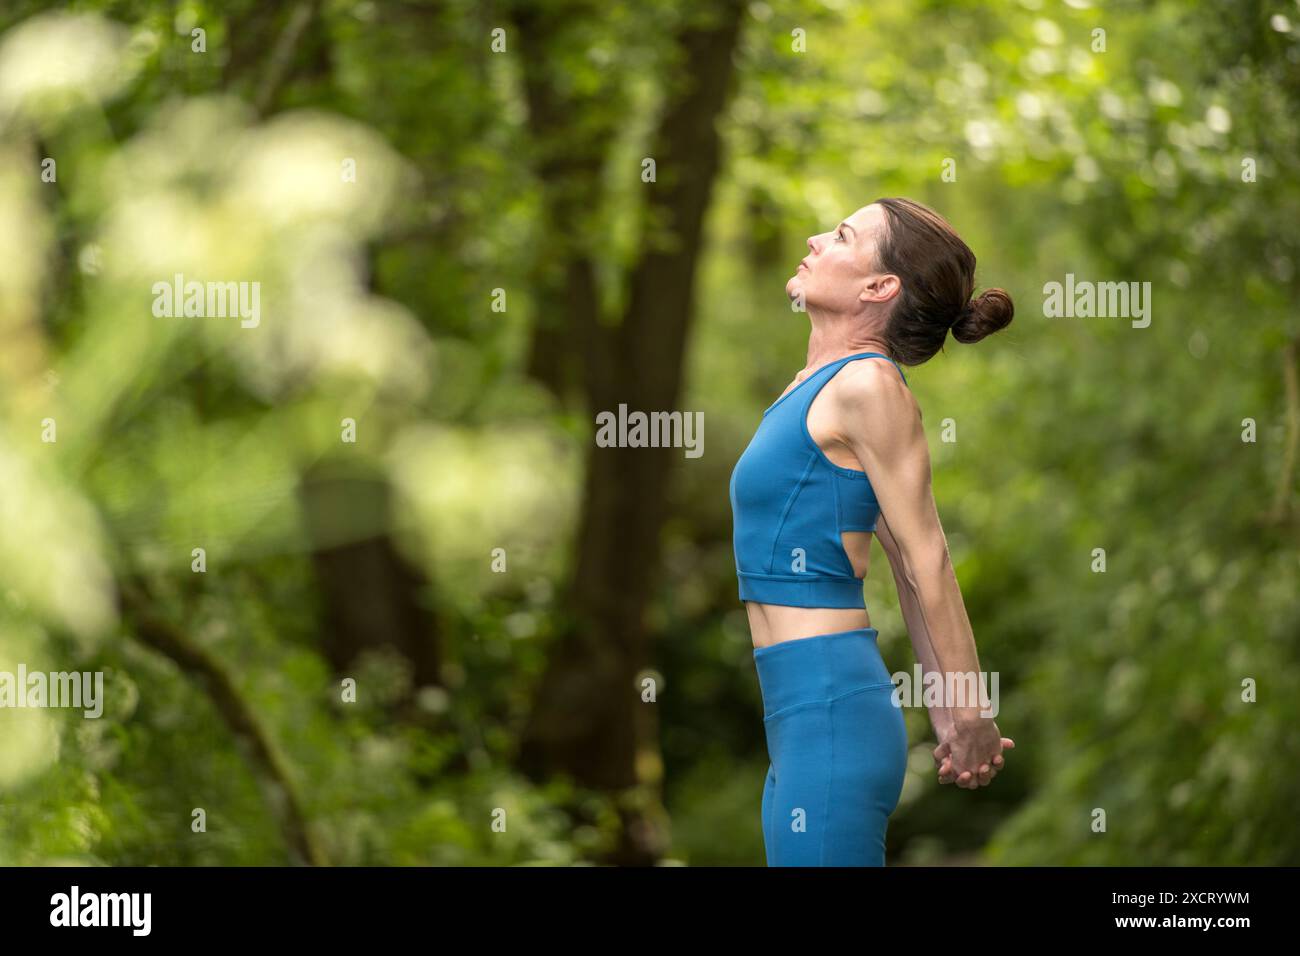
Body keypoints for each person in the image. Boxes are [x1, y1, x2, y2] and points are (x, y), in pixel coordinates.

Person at [729, 197, 1017, 866]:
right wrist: (945, 712)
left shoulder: (870, 387)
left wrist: (970, 713)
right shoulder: (815, 387)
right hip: (801, 719)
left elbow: (927, 560)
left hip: (833, 714)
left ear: (879, 287)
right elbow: (904, 572)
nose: (814, 238)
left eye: (841, 235)